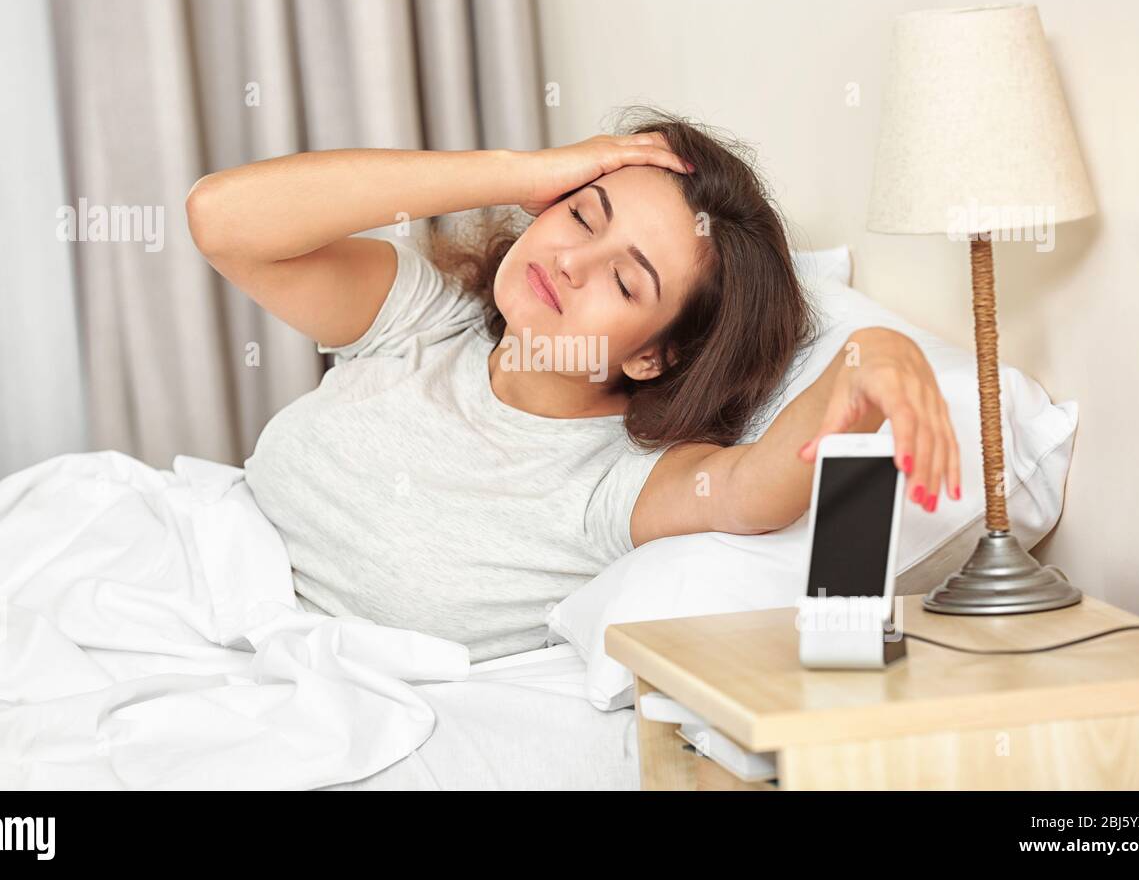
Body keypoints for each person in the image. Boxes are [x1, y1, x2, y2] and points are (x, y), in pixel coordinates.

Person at [185, 107, 960, 661]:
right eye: (582, 217)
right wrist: (522, 171)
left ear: (653, 357)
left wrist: (871, 353)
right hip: (173, 587)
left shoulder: (608, 489)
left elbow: (751, 487)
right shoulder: (425, 318)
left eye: (624, 281)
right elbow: (219, 217)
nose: (569, 262)